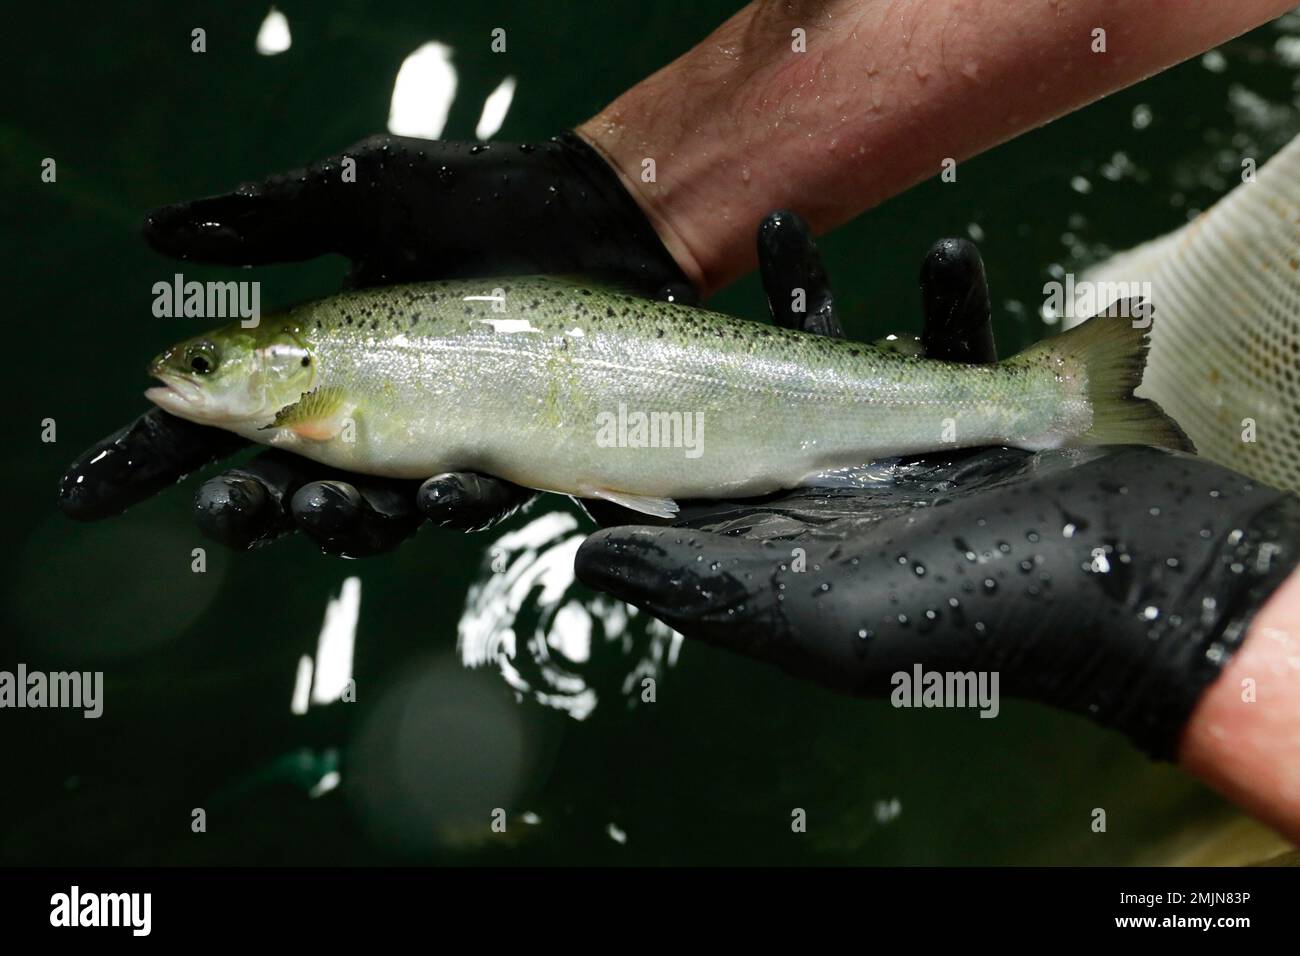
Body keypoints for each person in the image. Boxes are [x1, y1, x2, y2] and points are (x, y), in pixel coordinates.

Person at [58, 0, 1300, 842]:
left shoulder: (316, 396)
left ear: (278, 372)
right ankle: (1054, 417)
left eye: (213, 360)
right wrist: (646, 187)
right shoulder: (309, 394)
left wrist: (1187, 608)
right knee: (1197, 382)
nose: (196, 370)